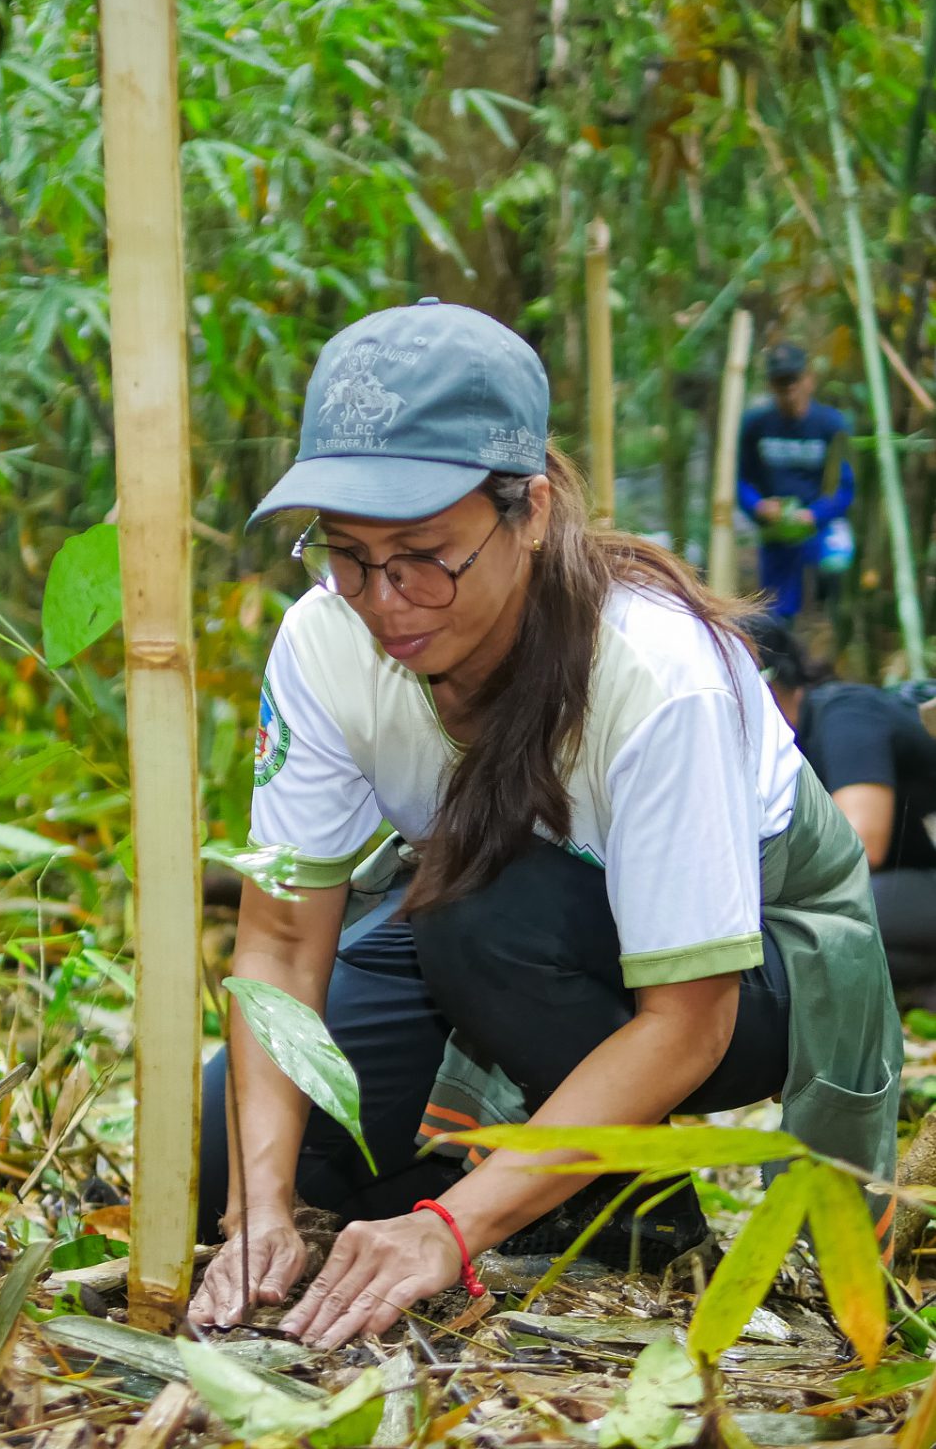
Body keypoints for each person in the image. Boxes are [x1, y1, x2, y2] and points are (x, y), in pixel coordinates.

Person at [189, 300, 901, 1350]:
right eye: (345, 554)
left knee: (481, 915)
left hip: (753, 971)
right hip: (491, 942)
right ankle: (512, 1160)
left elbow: (686, 1021)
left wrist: (445, 1232)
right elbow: (285, 941)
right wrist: (258, 1206)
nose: (385, 601)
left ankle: (630, 1218)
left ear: (527, 510)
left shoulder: (655, 672)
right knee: (233, 1143)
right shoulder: (321, 638)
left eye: (425, 554)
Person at [748, 618, 936, 1002]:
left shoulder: (846, 714)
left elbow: (860, 847)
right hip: (906, 886)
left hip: (915, 880)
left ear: (770, 683)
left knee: (802, 927)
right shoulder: (774, 754)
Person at [737, 342, 854, 621]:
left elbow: (846, 488)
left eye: (793, 379)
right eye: (780, 381)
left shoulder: (832, 426)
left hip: (821, 530)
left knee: (833, 580)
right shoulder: (755, 426)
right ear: (770, 385)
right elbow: (739, 481)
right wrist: (758, 507)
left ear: (808, 380)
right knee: (776, 612)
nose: (788, 388)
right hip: (775, 534)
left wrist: (815, 515)